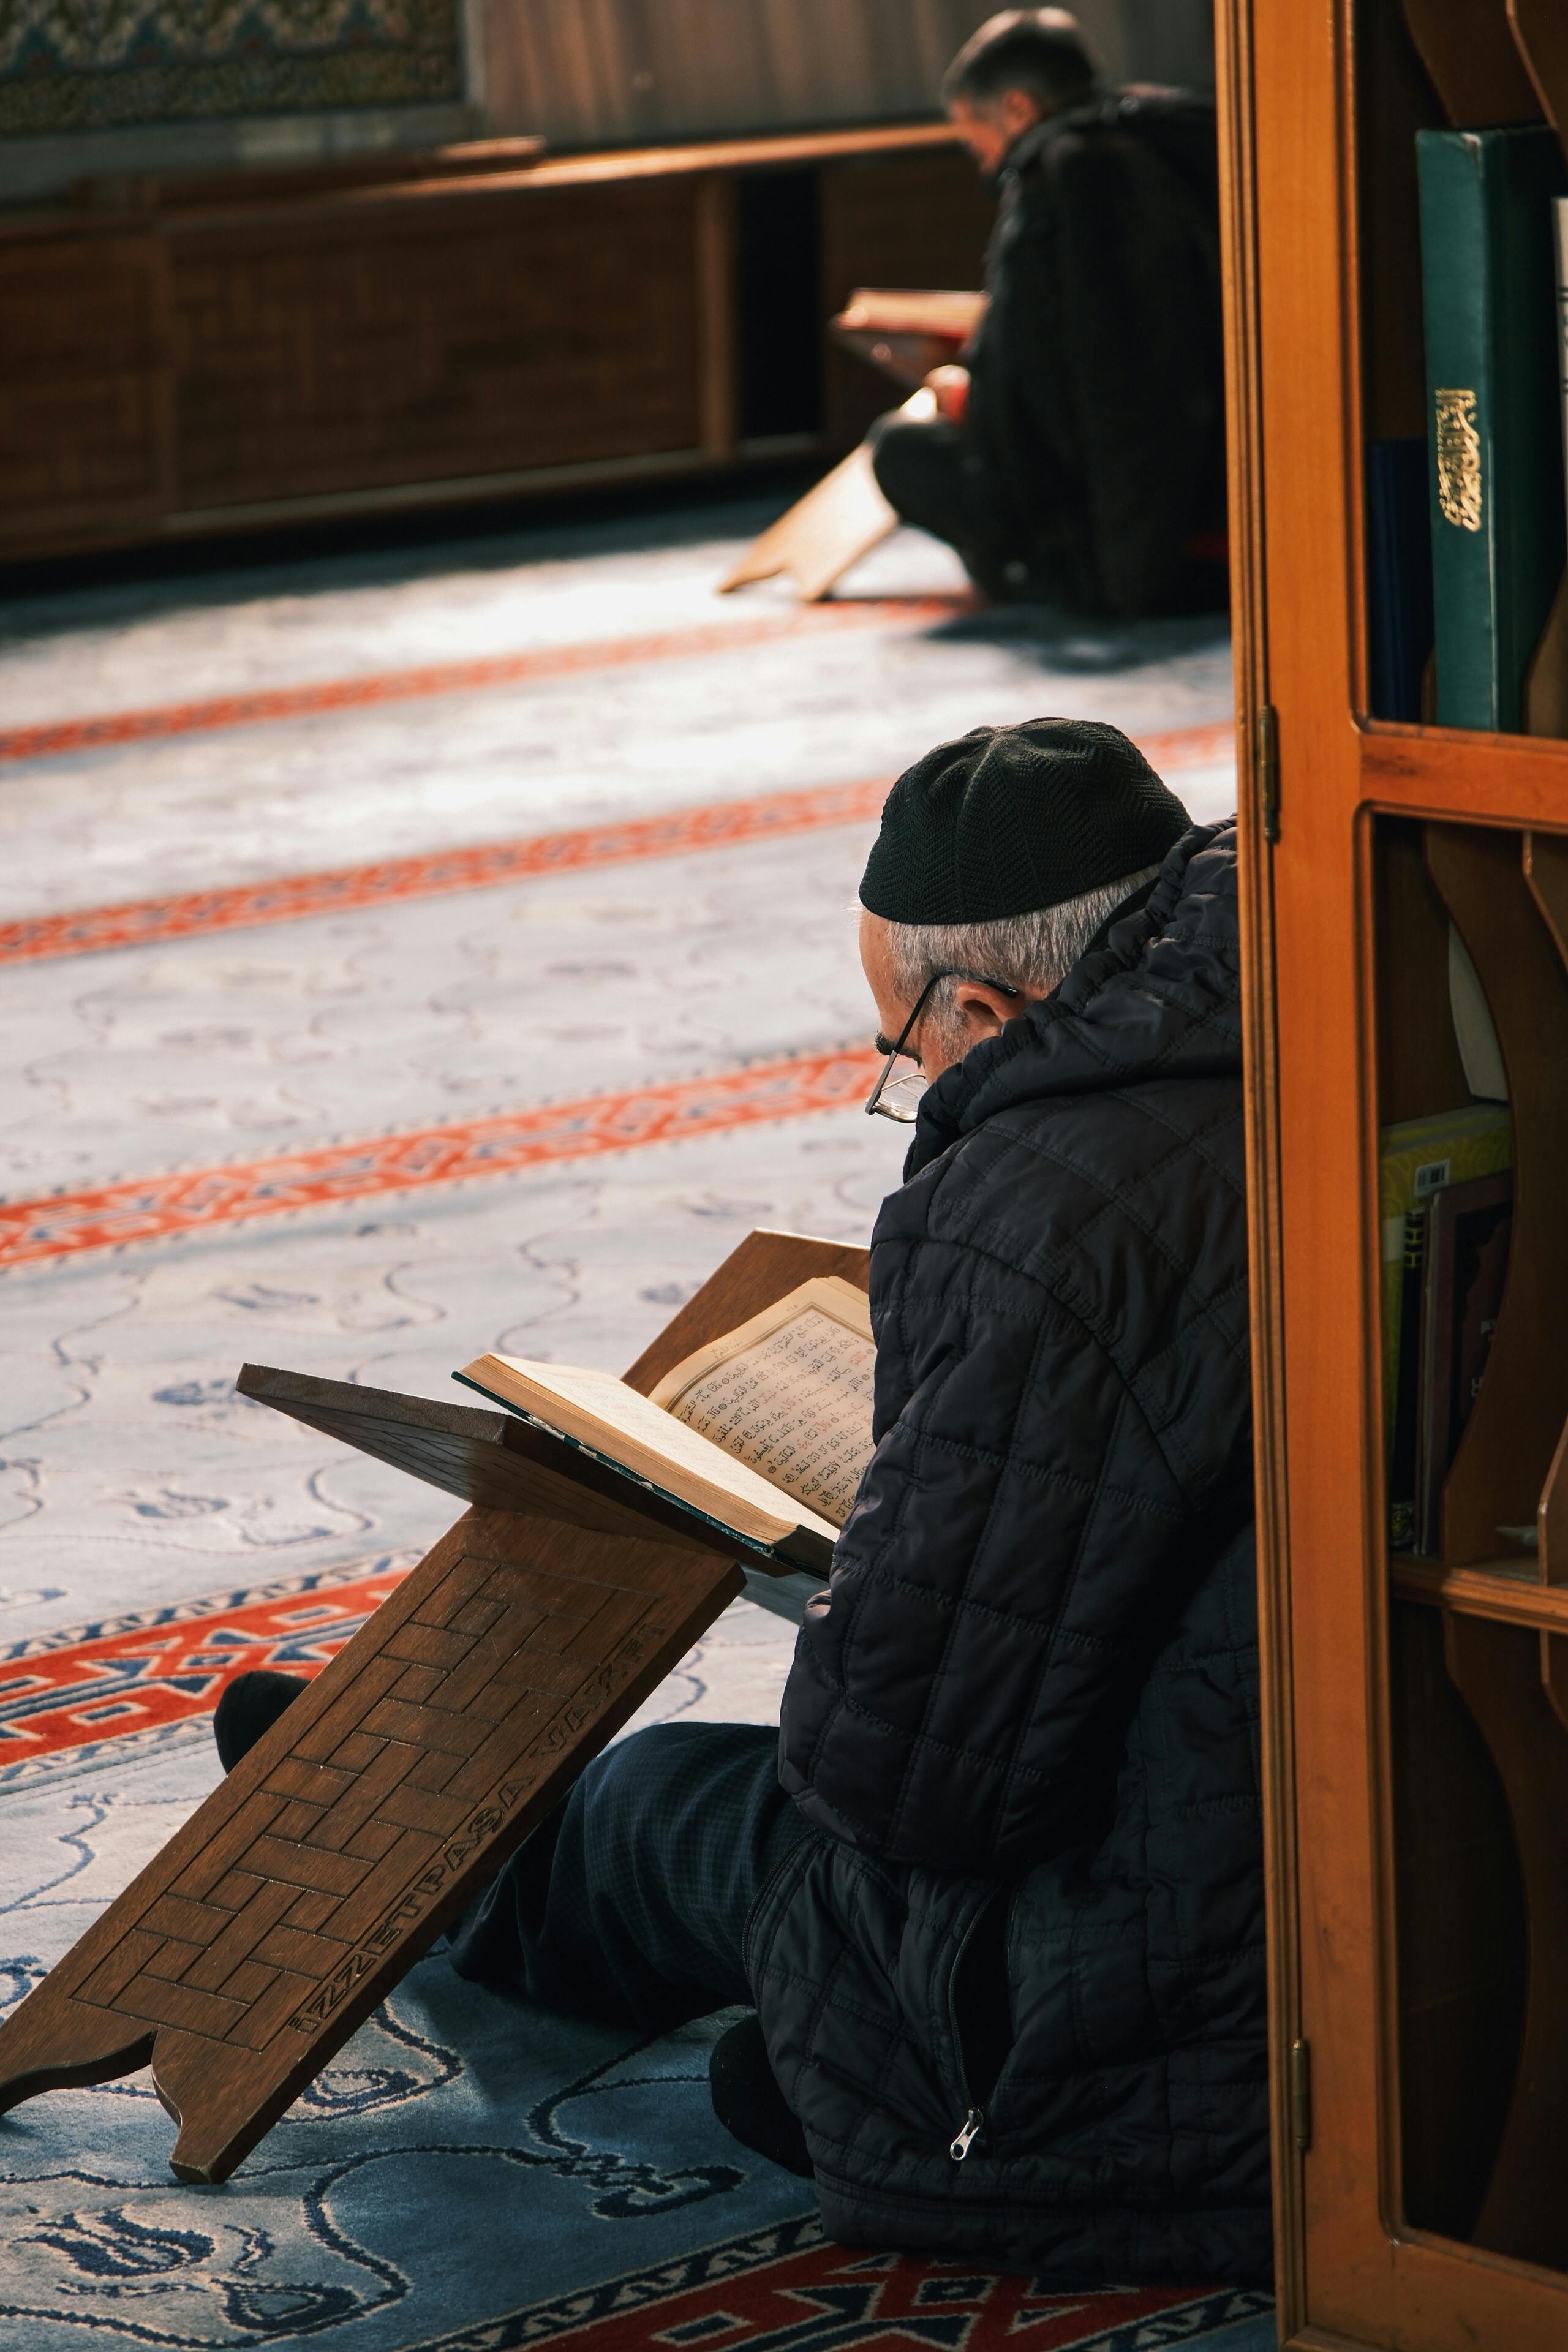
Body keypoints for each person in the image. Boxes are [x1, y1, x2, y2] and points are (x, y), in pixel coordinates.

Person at [216, 715, 1267, 2284]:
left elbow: (921, 1788)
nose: (912, 1078)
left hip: (1160, 1972)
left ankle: (485, 1869)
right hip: (1322, 1808)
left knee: (670, 1811)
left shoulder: (1043, 1199)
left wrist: (842, 1596)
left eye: (902, 1048)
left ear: (980, 1002)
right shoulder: (1345, 990)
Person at [870, 9, 1227, 617]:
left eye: (971, 132)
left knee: (898, 449)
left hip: (1121, 534)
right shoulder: (1166, 137)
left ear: (1015, 108)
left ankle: (1037, 576)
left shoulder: (1058, 177)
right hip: (1218, 480)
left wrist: (962, 395)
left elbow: (1036, 391)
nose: (978, 157)